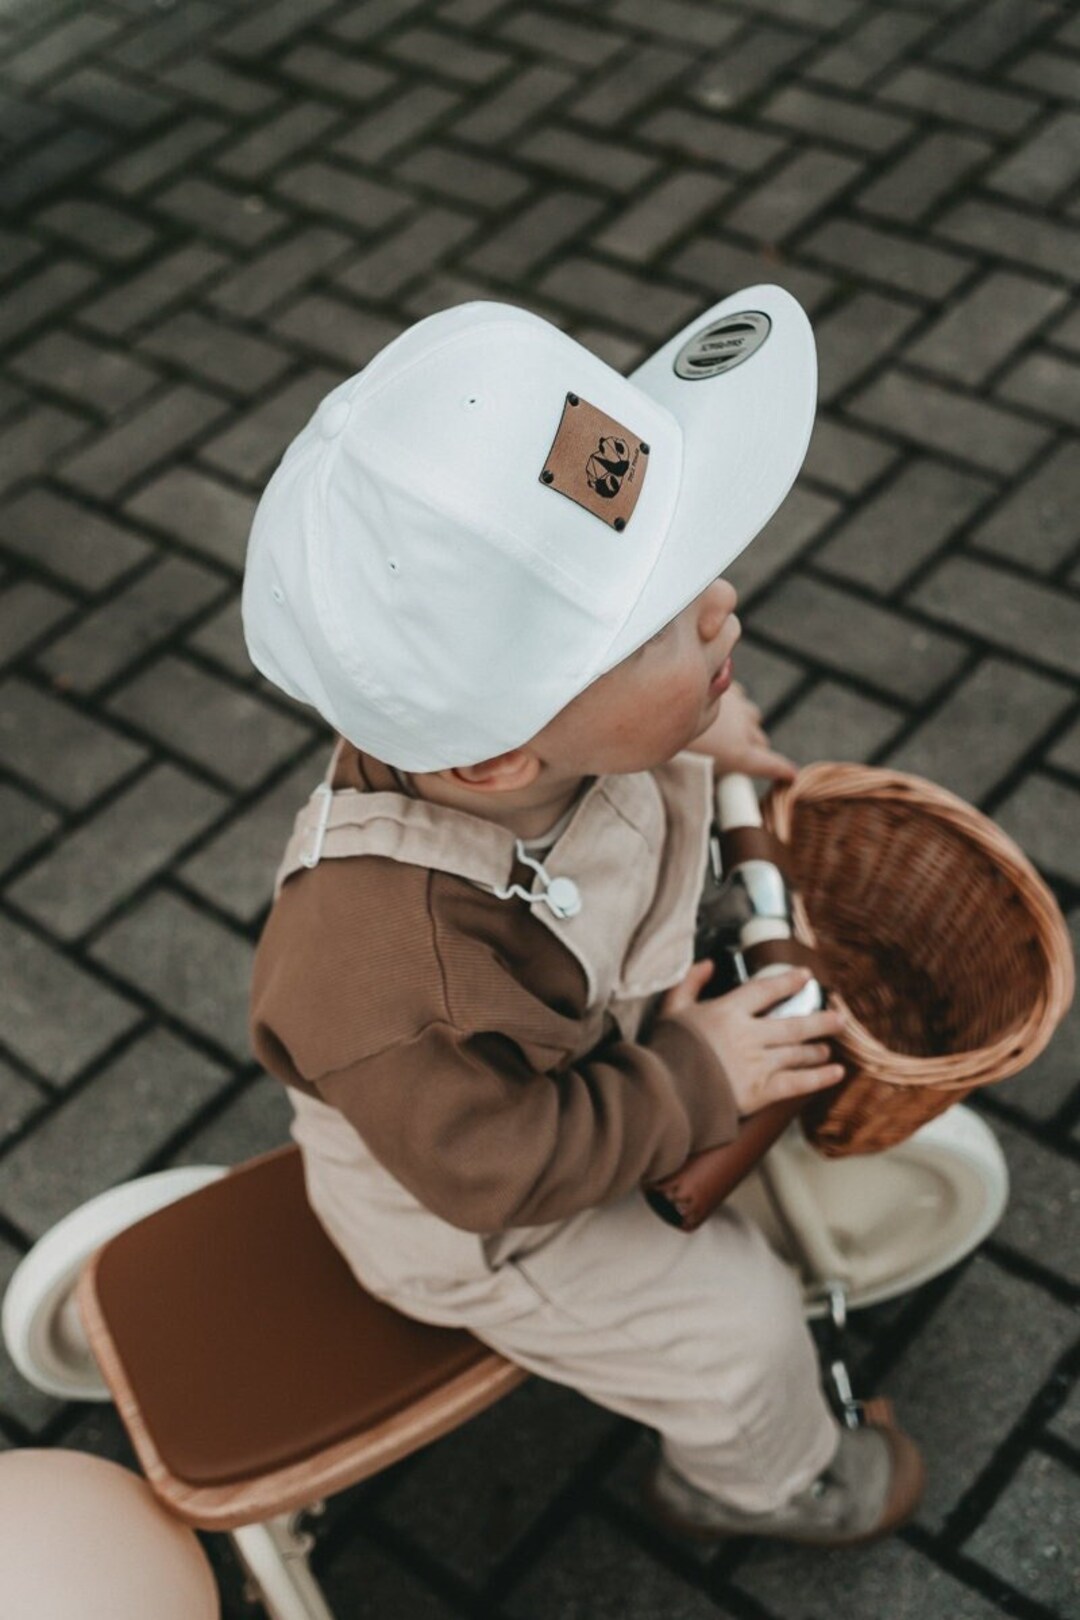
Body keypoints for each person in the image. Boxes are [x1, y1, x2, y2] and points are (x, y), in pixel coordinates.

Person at [242, 289, 925, 1544]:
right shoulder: (391, 975)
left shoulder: (519, 743)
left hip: (583, 1048)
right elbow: (499, 1170)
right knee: (735, 1327)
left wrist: (694, 718)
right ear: (501, 753)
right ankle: (762, 1480)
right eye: (663, 623)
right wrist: (692, 1080)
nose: (722, 605)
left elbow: (609, 742)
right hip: (494, 1208)